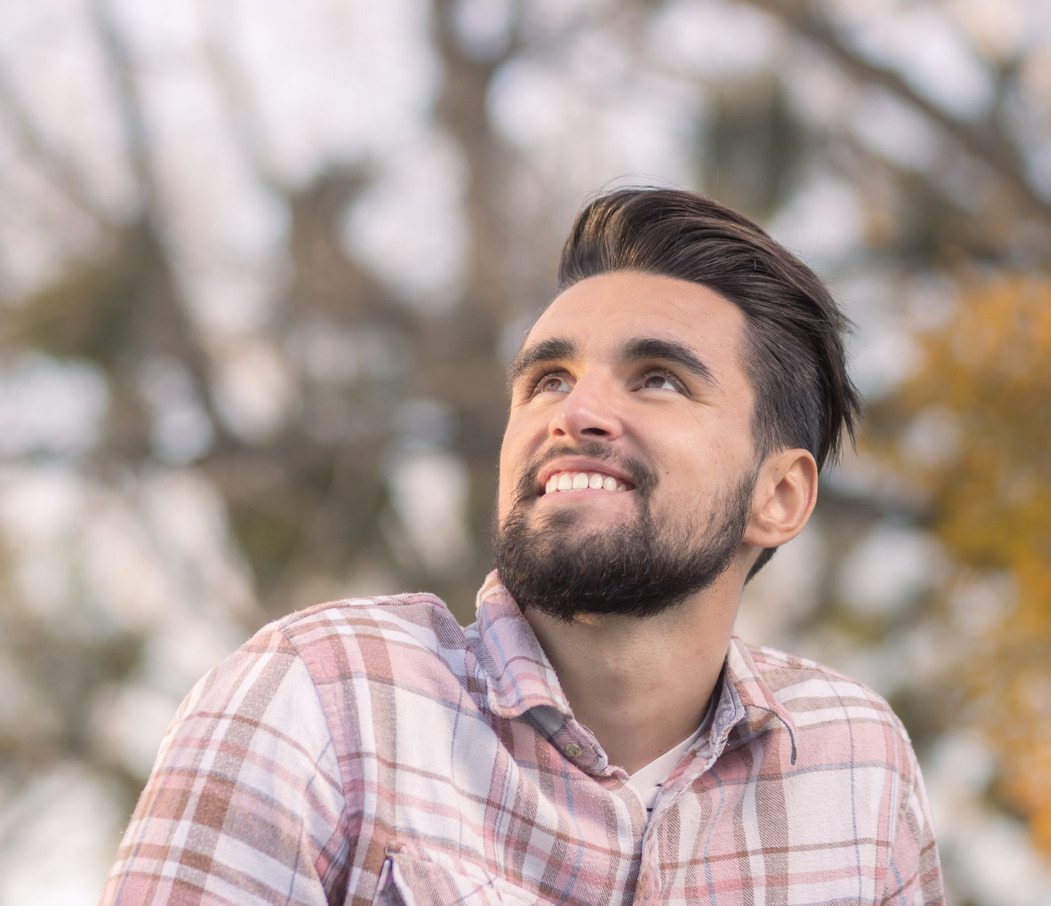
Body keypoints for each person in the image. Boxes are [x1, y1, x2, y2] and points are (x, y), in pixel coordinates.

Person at [102, 187, 947, 905]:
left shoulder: (855, 762)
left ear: (780, 495)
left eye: (658, 378)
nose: (572, 414)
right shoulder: (320, 698)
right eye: (549, 379)